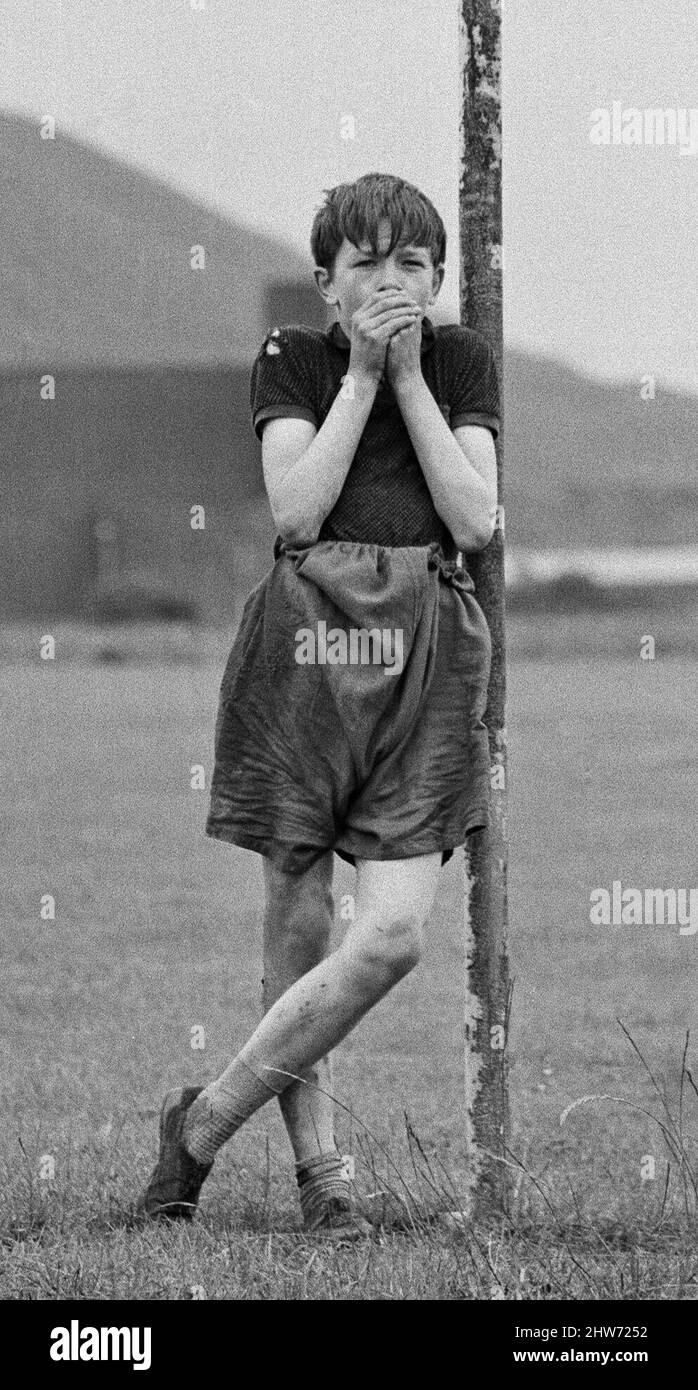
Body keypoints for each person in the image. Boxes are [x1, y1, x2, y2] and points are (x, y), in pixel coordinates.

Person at [135, 172, 500, 1238]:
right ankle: (322, 1179)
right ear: (327, 282)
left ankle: (202, 1122)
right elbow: (295, 512)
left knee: (389, 937)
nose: (391, 283)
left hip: (428, 653)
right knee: (300, 917)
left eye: (412, 265)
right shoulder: (291, 357)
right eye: (366, 264)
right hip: (305, 644)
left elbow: (474, 519)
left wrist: (409, 381)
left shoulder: (461, 362)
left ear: (437, 279)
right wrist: (360, 377)